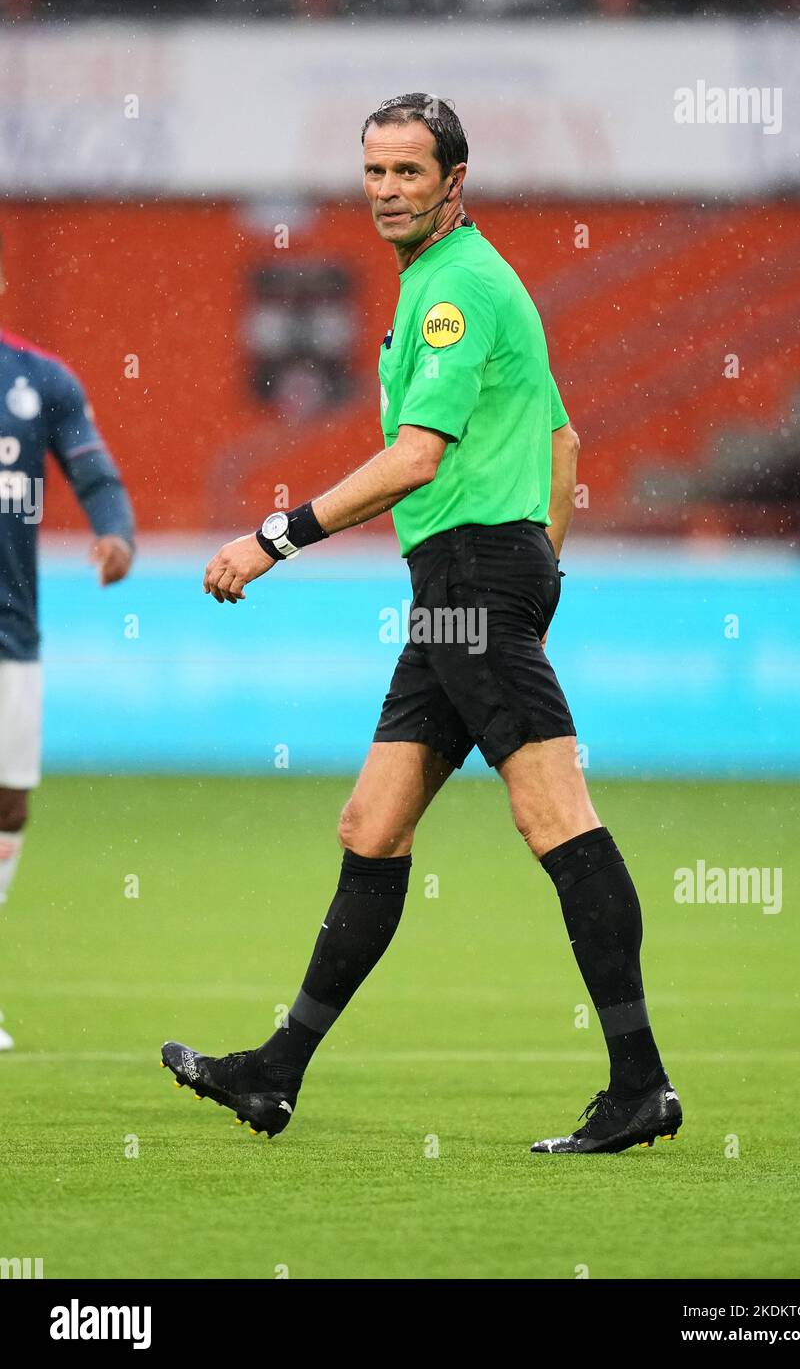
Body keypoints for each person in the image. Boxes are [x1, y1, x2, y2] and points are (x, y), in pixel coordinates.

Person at [161, 95, 681, 1154]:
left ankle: (639, 1084)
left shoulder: (454, 292)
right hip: (467, 584)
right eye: (375, 172)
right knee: (372, 824)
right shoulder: (450, 283)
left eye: (409, 171)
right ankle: (273, 1072)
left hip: (471, 581)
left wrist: (273, 538)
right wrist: (546, 564)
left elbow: (414, 458)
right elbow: (562, 437)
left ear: (455, 180)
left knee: (555, 818)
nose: (388, 190)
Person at [0, 239, 135, 1050]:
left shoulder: (38, 379)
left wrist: (115, 533)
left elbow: (93, 473)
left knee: (9, 801)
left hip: (12, 638)